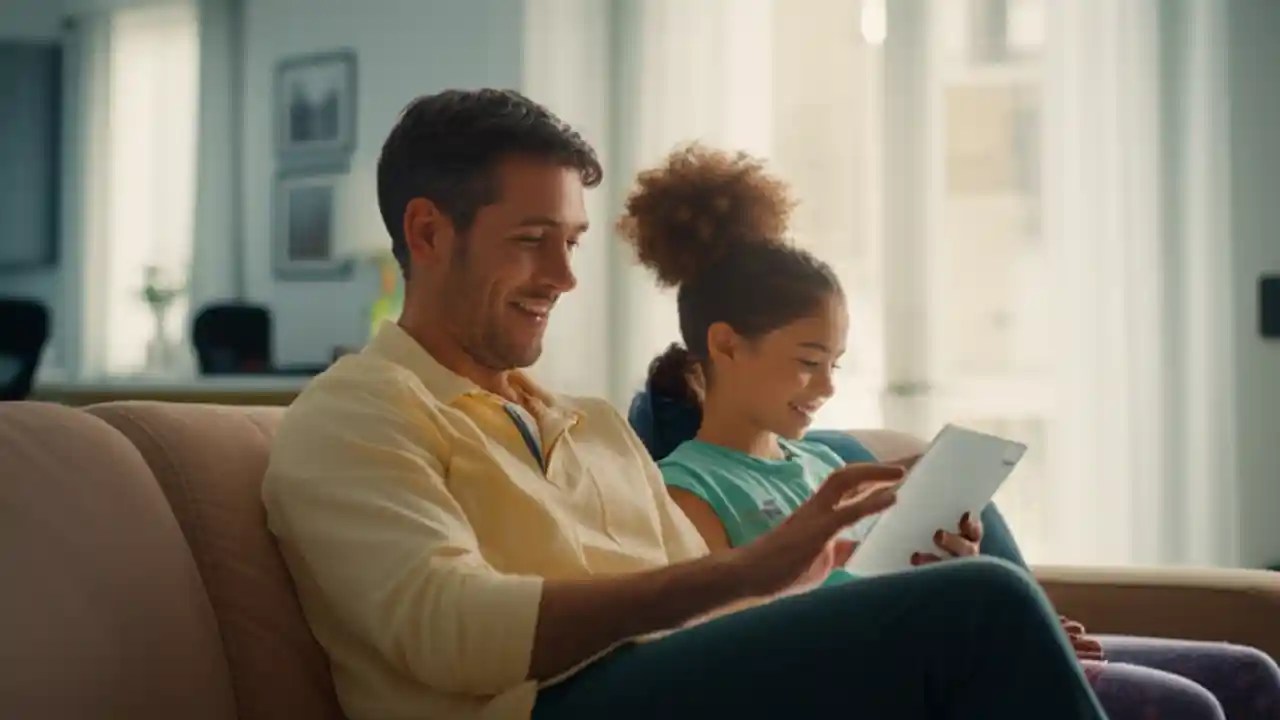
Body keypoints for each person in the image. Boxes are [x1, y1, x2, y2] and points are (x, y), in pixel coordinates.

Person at [262, 88, 1107, 720]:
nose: (563, 278)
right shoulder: (354, 415)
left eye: (572, 243)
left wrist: (830, 584)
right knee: (982, 606)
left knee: (970, 594)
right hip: (540, 710)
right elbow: (448, 632)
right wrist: (744, 571)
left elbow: (722, 607)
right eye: (531, 242)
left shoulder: (588, 424)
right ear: (427, 232)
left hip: (675, 686)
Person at [619, 142, 1280, 720]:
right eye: (807, 363)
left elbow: (881, 590)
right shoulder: (686, 490)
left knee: (1252, 674)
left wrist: (947, 569)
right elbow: (728, 655)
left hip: (948, 648)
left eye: (835, 365)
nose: (825, 386)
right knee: (1194, 708)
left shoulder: (824, 463)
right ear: (728, 346)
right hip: (880, 685)